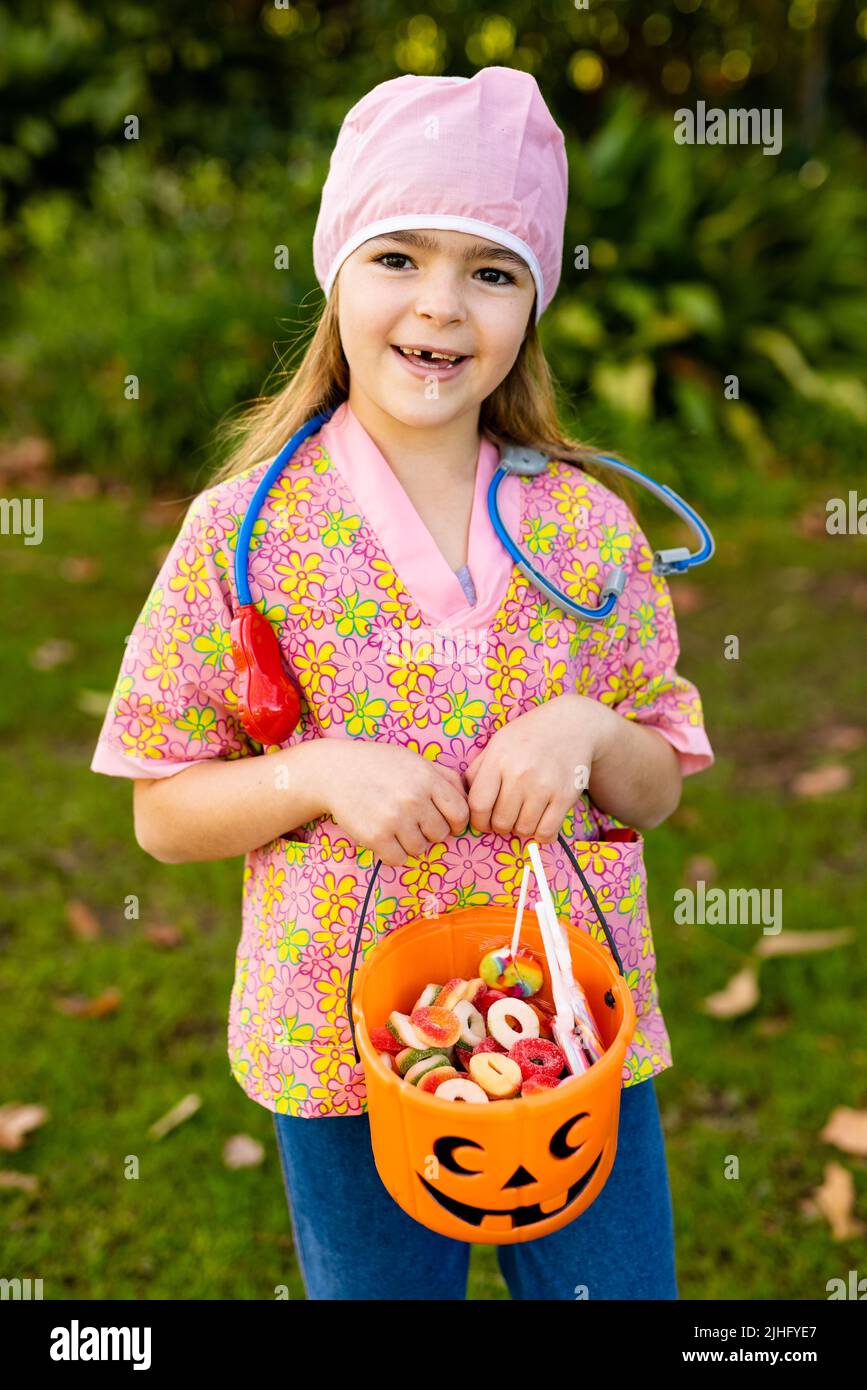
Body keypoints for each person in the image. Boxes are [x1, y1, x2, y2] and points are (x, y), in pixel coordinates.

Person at [90, 66, 714, 1299]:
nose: (441, 304)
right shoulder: (245, 534)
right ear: (337, 276)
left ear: (531, 305)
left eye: (491, 270)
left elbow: (655, 793)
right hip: (344, 1051)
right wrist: (315, 770)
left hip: (572, 1035)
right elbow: (162, 811)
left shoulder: (589, 530)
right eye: (398, 256)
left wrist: (588, 729)